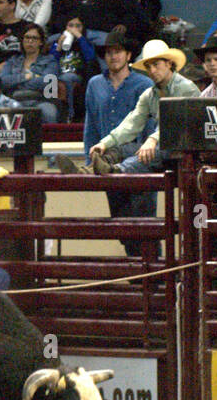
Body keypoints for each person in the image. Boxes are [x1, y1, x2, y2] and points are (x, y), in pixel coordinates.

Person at [82, 27, 155, 252]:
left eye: (118, 51)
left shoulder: (143, 84)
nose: (113, 56)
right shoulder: (95, 84)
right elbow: (91, 124)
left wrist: (147, 154)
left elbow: (150, 125)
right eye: (109, 52)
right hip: (106, 160)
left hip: (137, 160)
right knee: (121, 226)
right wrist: (89, 157)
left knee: (144, 226)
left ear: (129, 55)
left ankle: (152, 280)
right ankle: (139, 281)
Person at [89, 38, 200, 173]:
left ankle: (116, 170)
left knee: (145, 154)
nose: (152, 70)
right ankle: (91, 169)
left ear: (169, 63)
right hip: (163, 148)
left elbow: (177, 124)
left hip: (185, 151)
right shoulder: (149, 95)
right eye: (148, 66)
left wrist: (153, 139)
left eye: (156, 64)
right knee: (118, 150)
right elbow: (132, 123)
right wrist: (105, 143)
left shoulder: (185, 88)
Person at [0, 25, 60, 124]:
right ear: (22, 40)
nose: (30, 41)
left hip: (41, 100)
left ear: (41, 42)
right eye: (27, 37)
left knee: (49, 112)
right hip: (14, 100)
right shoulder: (12, 61)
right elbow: (3, 81)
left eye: (34, 38)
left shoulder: (50, 61)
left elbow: (48, 83)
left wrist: (16, 81)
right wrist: (27, 76)